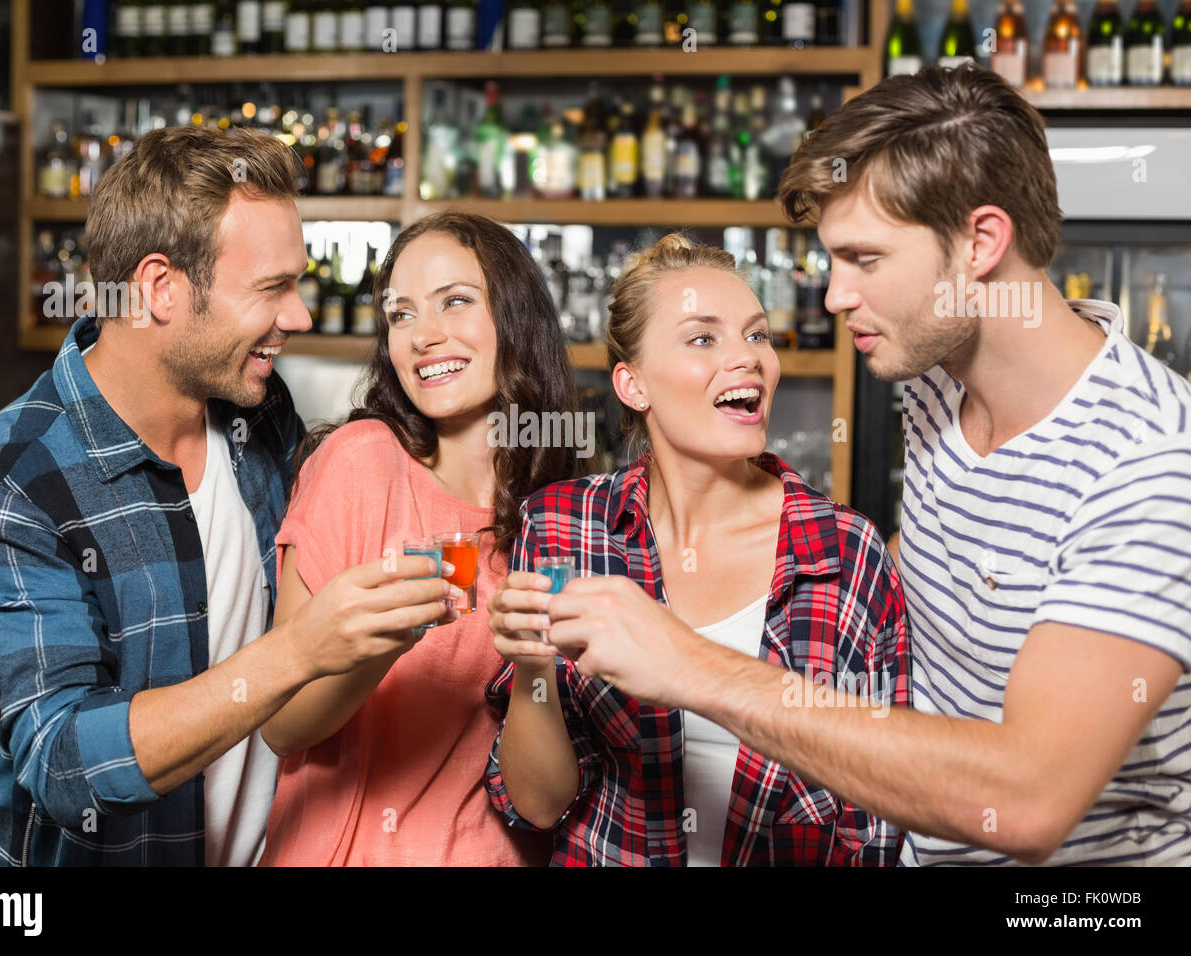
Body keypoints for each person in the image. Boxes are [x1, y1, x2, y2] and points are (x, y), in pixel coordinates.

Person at [526, 65, 1191, 866]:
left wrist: (690, 662)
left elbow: (1024, 800)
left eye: (864, 259)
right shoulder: (937, 384)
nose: (835, 296)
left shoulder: (1151, 463)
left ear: (980, 243)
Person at [0, 126, 460, 866]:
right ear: (159, 290)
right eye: (273, 287)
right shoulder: (14, 482)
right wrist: (299, 652)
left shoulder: (256, 409)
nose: (300, 316)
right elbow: (61, 761)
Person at [484, 234, 910, 866]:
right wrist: (531, 668)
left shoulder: (844, 552)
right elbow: (540, 806)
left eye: (758, 335)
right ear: (633, 385)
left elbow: (880, 812)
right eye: (703, 339)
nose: (748, 359)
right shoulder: (563, 527)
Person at [255, 212, 581, 866]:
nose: (424, 336)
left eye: (454, 302)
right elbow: (283, 724)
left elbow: (544, 804)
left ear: (516, 318)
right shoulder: (361, 462)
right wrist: (390, 634)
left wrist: (533, 665)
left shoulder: (561, 517)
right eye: (400, 315)